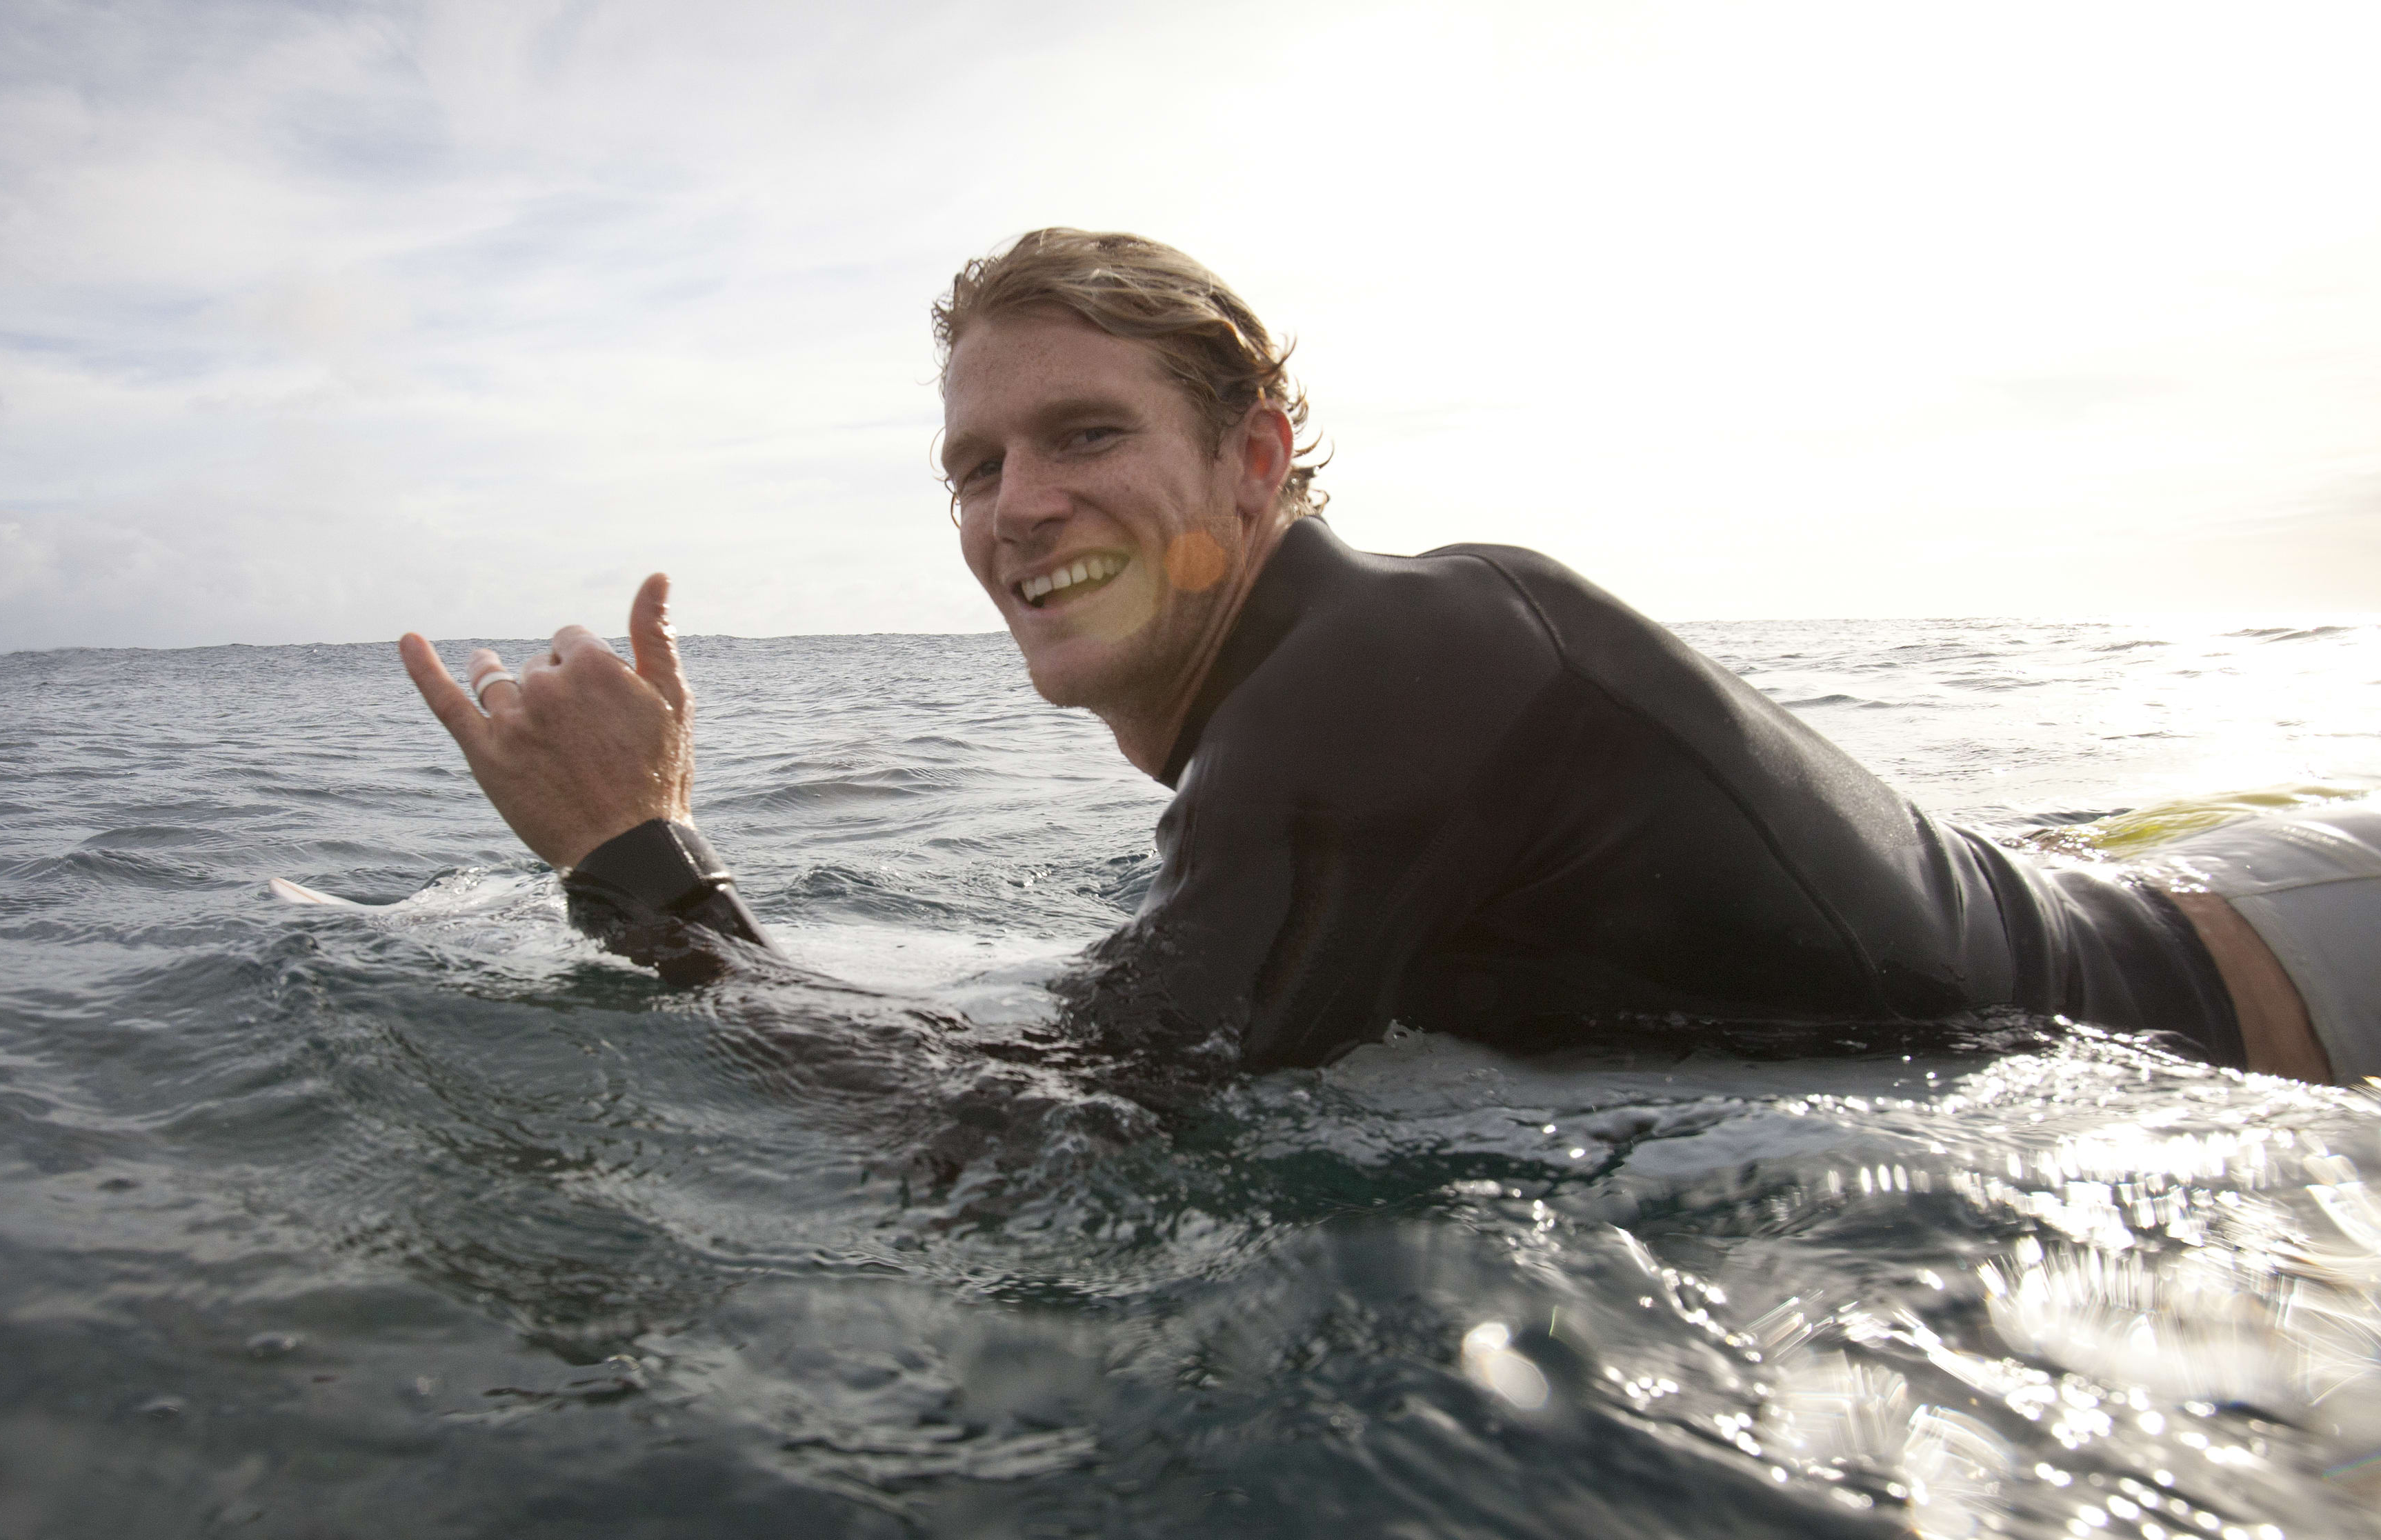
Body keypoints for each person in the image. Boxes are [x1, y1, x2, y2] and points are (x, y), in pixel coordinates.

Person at [399, 228, 2379, 1109]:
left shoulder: (1379, 675)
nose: (1016, 505)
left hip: (2267, 1006)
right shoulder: (1329, 702)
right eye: (973, 465)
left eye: (1084, 434)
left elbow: (1074, 1136)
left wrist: (638, 870)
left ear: (1254, 460)